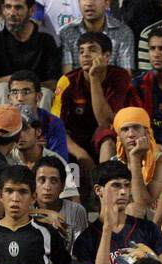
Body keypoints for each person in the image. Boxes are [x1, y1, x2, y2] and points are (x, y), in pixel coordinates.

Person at [59, 31, 143, 167]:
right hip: (75, 143)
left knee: (107, 136)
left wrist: (94, 79)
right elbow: (57, 128)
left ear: (106, 56)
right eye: (81, 52)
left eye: (92, 50)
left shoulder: (119, 77)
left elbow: (106, 121)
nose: (85, 55)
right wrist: (81, 153)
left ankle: (105, 183)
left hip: (105, 137)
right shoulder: (66, 81)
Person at [0, 0, 62, 89]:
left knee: (46, 93)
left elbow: (55, 82)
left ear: (32, 10)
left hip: (36, 94)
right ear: (2, 9)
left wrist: (27, 87)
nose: (12, 13)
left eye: (18, 7)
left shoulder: (48, 38)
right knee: (1, 88)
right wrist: (11, 81)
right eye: (8, 7)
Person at [60, 0, 136, 71]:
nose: (89, 4)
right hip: (77, 84)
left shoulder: (123, 32)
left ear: (107, 3)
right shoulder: (67, 32)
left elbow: (125, 76)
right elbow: (67, 77)